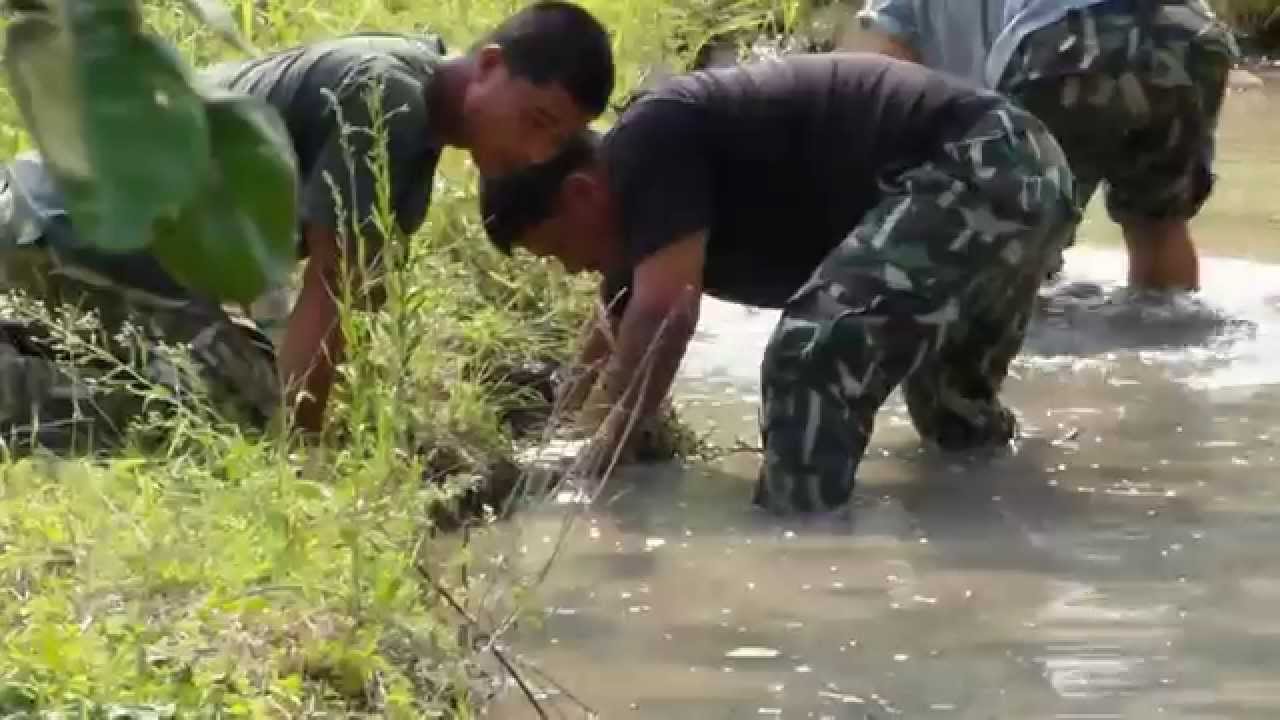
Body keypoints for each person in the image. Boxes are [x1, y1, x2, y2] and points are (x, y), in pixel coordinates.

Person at [0, 1, 615, 452]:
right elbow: (333, 287)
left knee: (250, 377)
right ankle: (14, 389)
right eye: (537, 120)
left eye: (556, 140)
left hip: (78, 228)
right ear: (488, 66)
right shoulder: (391, 101)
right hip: (72, 227)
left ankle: (31, 341)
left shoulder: (415, 95)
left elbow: (354, 296)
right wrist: (300, 453)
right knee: (230, 424)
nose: (536, 153)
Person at [478, 53, 1078, 515]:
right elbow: (616, 324)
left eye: (558, 249)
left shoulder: (649, 140)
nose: (570, 268)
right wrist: (562, 435)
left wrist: (599, 467)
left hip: (980, 163)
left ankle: (805, 551)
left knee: (809, 356)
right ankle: (1005, 520)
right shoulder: (647, 202)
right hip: (1031, 169)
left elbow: (664, 317)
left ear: (581, 194)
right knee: (952, 420)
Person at [847, 0, 1238, 291]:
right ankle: (1166, 379)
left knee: (1018, 249)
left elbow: (883, 71)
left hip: (1068, 38)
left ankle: (1033, 390)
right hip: (1187, 34)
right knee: (1159, 225)